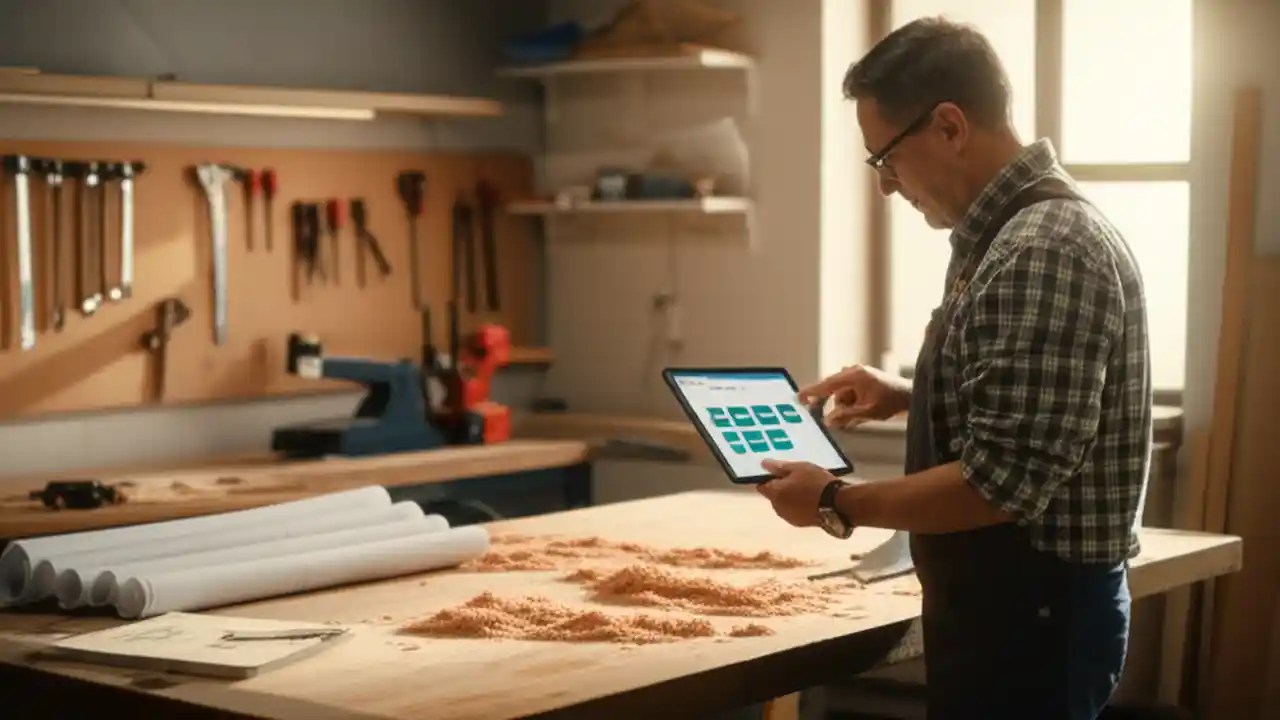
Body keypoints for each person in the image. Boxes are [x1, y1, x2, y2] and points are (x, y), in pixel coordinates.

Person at [754, 16, 1152, 720]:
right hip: (1011, 606)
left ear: (949, 126)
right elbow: (1034, 404)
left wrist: (834, 503)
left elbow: (1001, 483)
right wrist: (911, 395)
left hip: (1035, 613)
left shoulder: (1042, 246)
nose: (885, 187)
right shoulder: (1003, 234)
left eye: (885, 161)